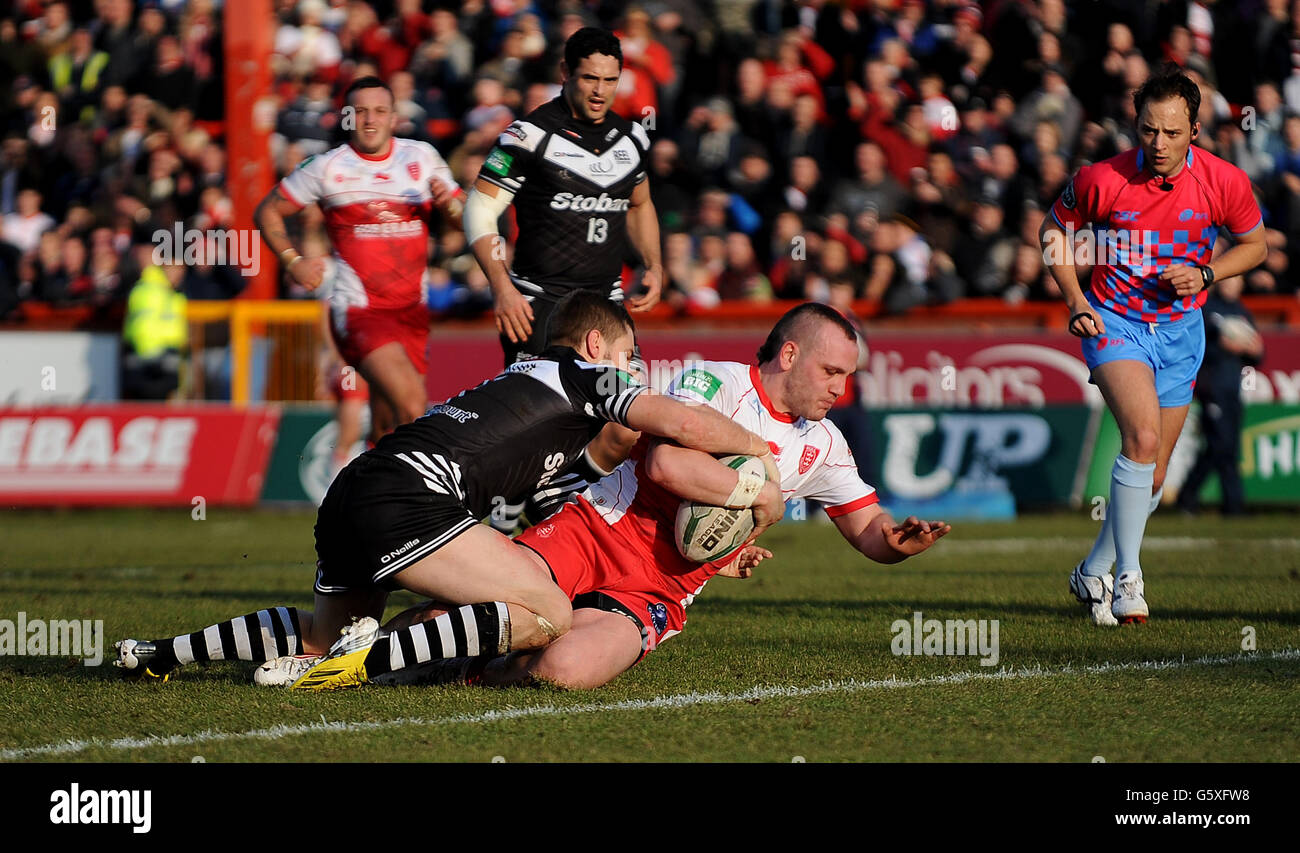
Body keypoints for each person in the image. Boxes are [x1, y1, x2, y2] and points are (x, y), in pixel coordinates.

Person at [115, 293, 782, 685]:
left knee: (319, 637)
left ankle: (161, 652)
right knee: (546, 609)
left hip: (355, 490)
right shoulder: (584, 376)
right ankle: (363, 663)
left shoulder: (530, 382)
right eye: (629, 354)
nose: (633, 370)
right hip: (410, 499)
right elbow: (685, 420)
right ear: (597, 344)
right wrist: (760, 452)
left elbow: (573, 476)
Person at [283, 304, 950, 691]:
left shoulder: (827, 445)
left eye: (847, 375)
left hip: (658, 587)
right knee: (483, 611)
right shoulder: (714, 384)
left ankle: (475, 665)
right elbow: (665, 463)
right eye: (832, 370)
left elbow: (867, 527)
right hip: (594, 525)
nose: (841, 386)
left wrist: (895, 541)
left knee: (564, 668)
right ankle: (351, 654)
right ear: (790, 353)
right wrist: (759, 489)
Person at [1039, 65, 1266, 626]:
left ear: (1194, 127)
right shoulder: (1102, 178)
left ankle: (1093, 569)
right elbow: (1053, 230)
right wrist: (1076, 300)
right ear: (1134, 124)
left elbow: (1255, 245)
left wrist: (1208, 274)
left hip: (1183, 331)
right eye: (1147, 131)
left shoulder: (1224, 181)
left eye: (1171, 132)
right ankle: (1129, 580)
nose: (1158, 144)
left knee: (1154, 473)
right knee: (1139, 438)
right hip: (1115, 322)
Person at [463, 27, 663, 531]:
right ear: (565, 75)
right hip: (538, 303)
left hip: (607, 305)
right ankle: (499, 531)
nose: (600, 90)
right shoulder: (527, 136)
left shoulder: (632, 137)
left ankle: (572, 525)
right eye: (589, 78)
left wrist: (654, 264)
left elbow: (639, 205)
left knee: (621, 418)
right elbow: (478, 212)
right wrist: (501, 285)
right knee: (530, 426)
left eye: (610, 80)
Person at [253, 76, 464, 445]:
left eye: (379, 111)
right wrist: (292, 260)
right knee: (414, 406)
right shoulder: (327, 166)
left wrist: (451, 207)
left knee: (389, 424)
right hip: (360, 311)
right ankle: (426, 500)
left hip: (412, 311)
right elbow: (267, 211)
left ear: (393, 117)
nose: (370, 119)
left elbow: (465, 218)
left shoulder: (422, 157)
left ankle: (369, 494)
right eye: (360, 111)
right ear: (346, 117)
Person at [1175, 274, 1265, 516]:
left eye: (1236, 281)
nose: (1231, 285)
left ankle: (1232, 506)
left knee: (1228, 447)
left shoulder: (1242, 312)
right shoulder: (1207, 310)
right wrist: (1221, 346)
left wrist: (1254, 350)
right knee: (1220, 444)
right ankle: (1190, 496)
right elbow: (1195, 346)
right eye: (1228, 280)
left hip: (1233, 387)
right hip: (1211, 386)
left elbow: (1256, 355)